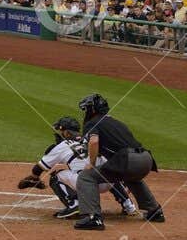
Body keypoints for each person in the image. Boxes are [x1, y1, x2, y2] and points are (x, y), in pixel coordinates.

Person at [71, 92, 165, 231]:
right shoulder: (116, 122)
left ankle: (92, 218)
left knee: (86, 177)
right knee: (131, 177)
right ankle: (155, 211)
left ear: (92, 110)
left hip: (128, 159)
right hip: (146, 159)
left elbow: (94, 141)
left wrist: (91, 163)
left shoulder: (93, 123)